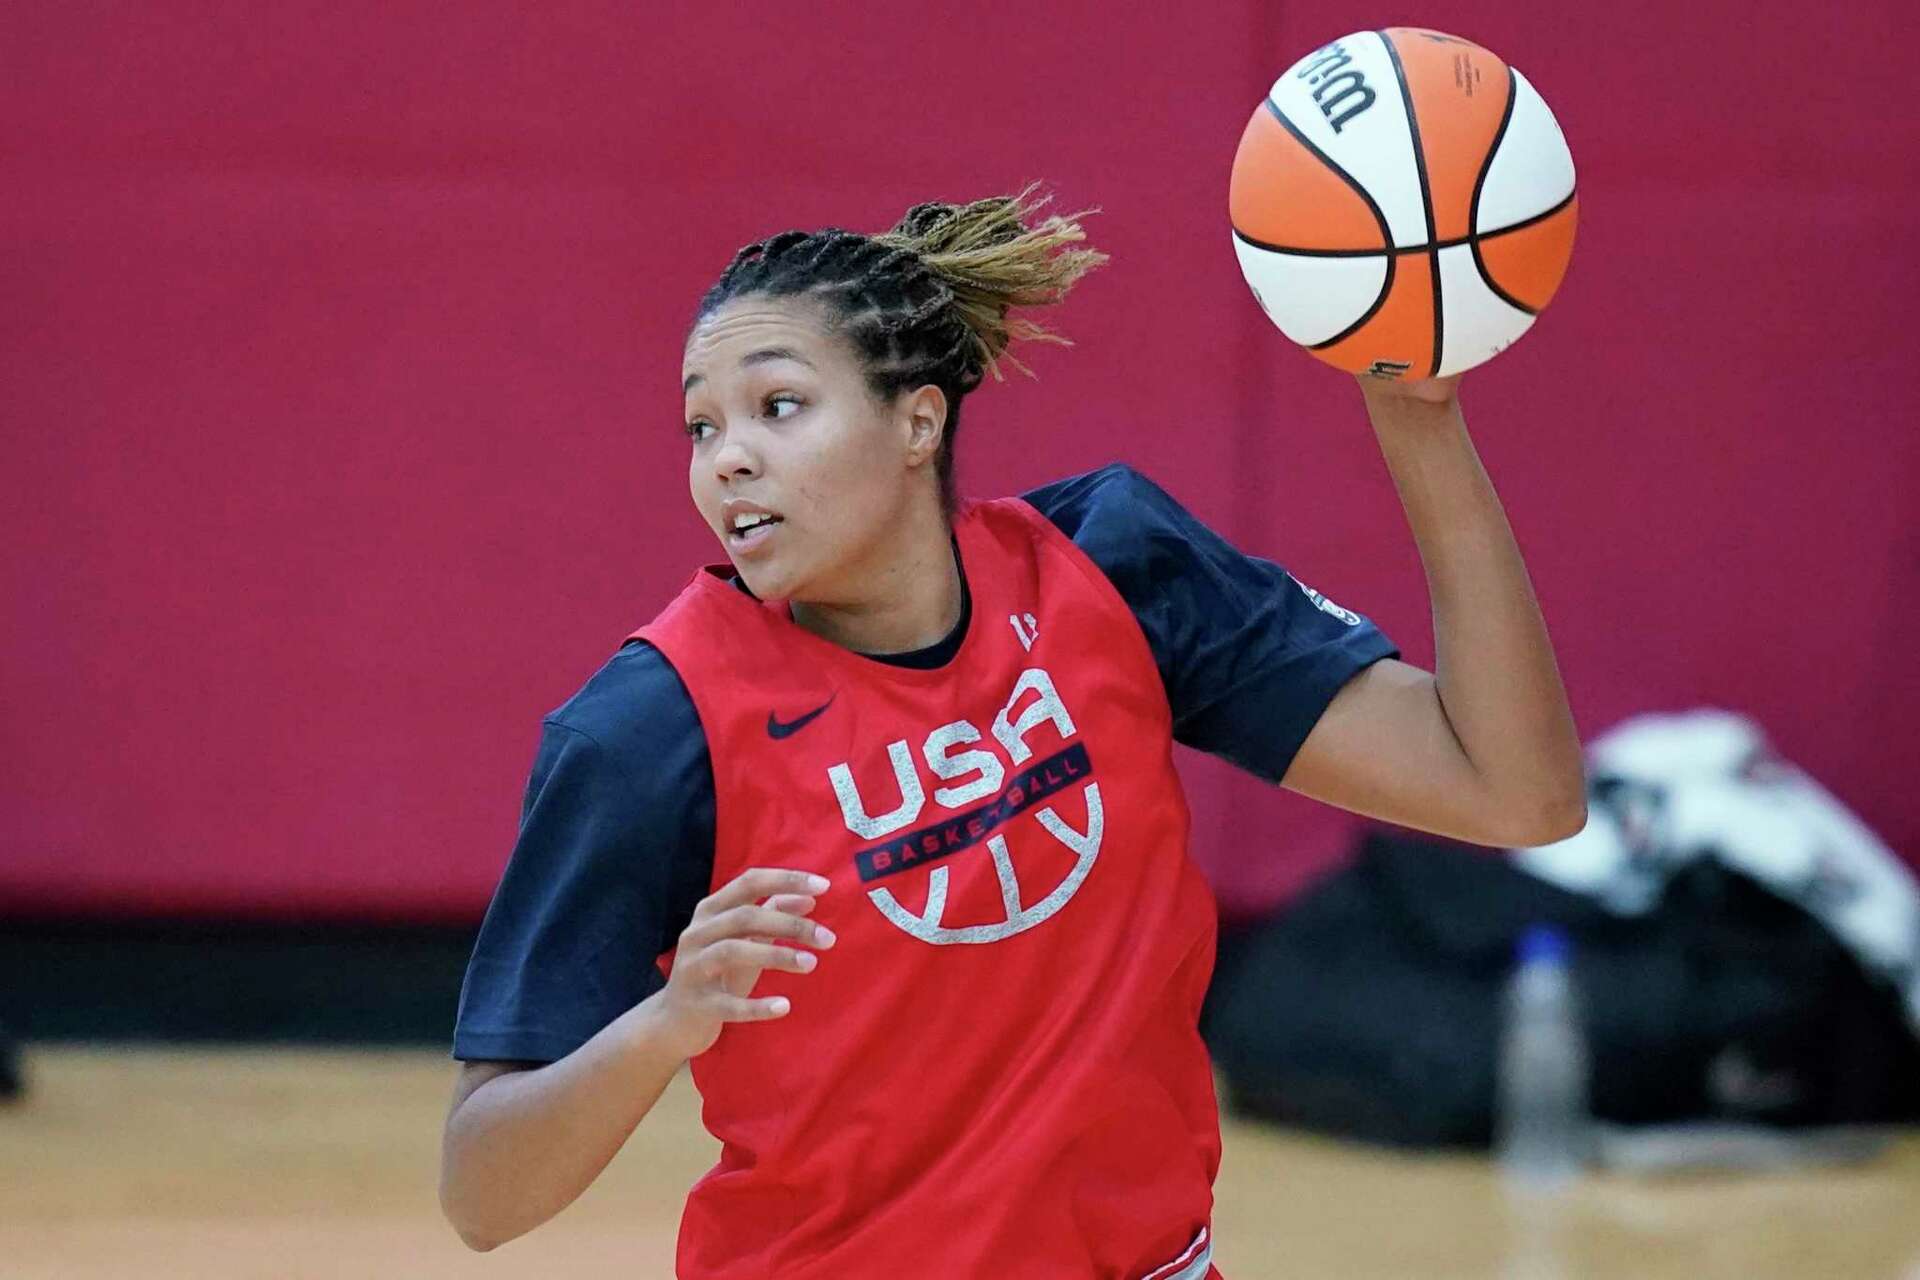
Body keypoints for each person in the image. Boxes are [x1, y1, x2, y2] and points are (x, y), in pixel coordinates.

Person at [437, 182, 1585, 1277]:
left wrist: (1416, 418)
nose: (726, 456)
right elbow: (483, 1193)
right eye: (700, 423)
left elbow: (1517, 793)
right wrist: (665, 1021)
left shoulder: (1112, 571)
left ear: (917, 420)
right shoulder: (650, 727)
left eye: (777, 405)